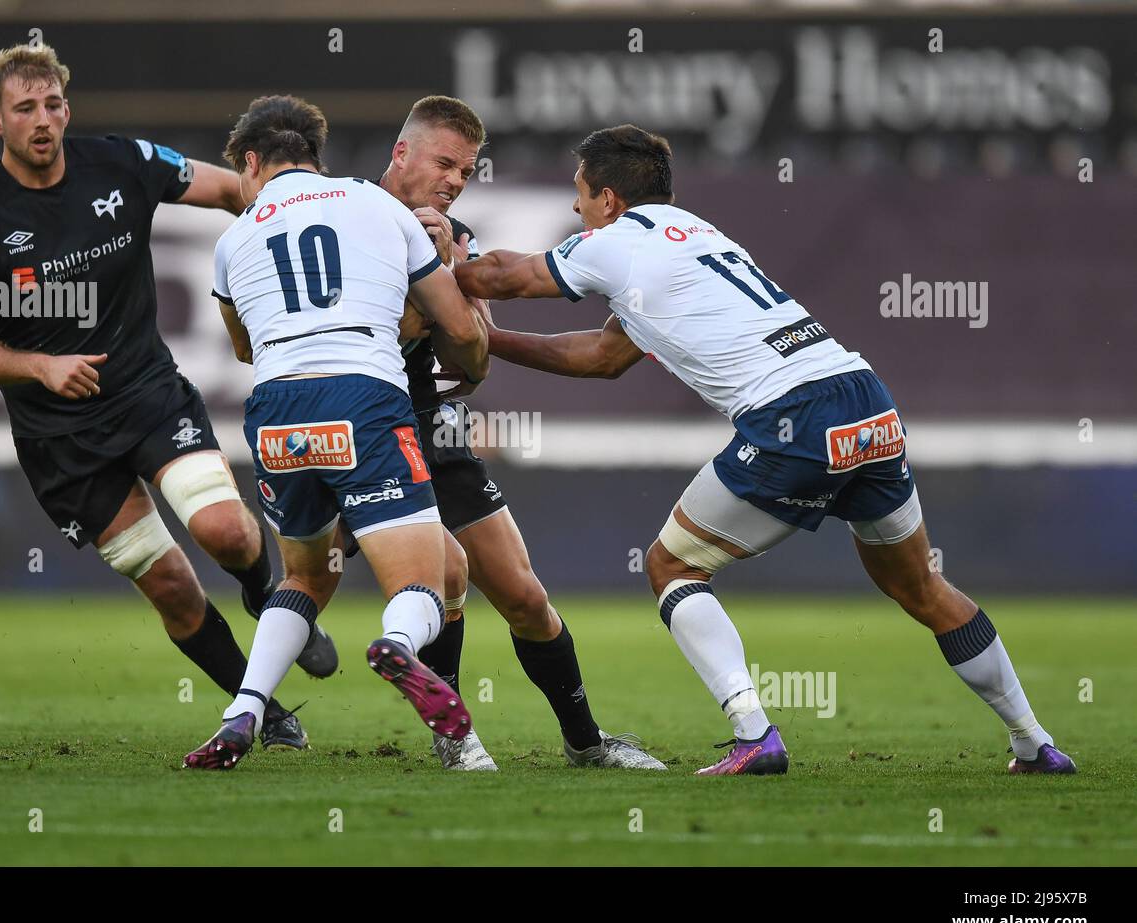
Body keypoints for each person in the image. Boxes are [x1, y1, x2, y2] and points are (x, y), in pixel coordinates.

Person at [455, 123, 1076, 776]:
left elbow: (503, 273)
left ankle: (754, 733)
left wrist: (432, 280)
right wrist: (489, 342)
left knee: (673, 566)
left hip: (794, 416)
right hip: (865, 400)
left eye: (579, 195)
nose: (574, 209)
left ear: (608, 199)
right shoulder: (695, 237)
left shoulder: (613, 243)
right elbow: (604, 358)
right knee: (921, 585)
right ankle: (1033, 741)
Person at [0, 44, 336, 751]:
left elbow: (233, 192)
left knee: (227, 533)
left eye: (53, 105)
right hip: (60, 437)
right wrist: (41, 367)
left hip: (147, 392)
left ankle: (261, 593)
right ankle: (261, 707)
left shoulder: (122, 163)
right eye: (25, 109)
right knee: (174, 589)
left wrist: (309, 219)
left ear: (68, 108)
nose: (43, 121)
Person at [183, 95, 491, 770]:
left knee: (307, 575)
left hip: (276, 411)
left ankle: (243, 712)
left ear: (252, 163)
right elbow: (463, 333)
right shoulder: (374, 204)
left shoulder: (235, 237)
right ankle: (399, 647)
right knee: (430, 582)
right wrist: (472, 360)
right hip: (365, 397)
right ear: (315, 157)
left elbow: (242, 347)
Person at [373, 96, 664, 772]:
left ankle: (586, 743)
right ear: (401, 153)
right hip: (359, 426)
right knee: (312, 579)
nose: (453, 180)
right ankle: (259, 711)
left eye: (466, 171)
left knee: (525, 596)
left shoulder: (454, 234)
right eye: (444, 162)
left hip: (432, 429)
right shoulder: (346, 216)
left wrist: (444, 271)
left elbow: (469, 363)